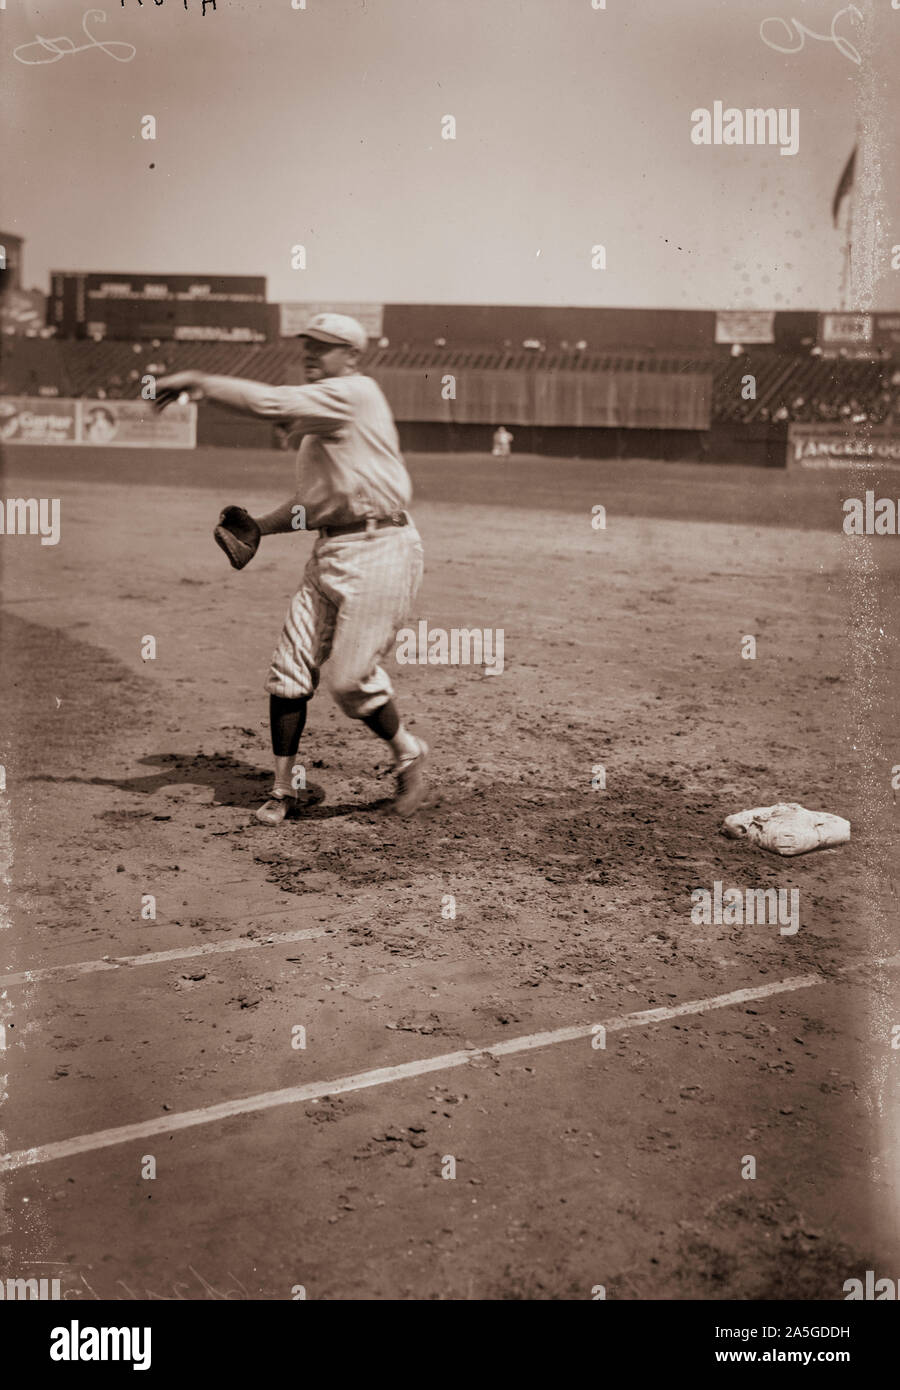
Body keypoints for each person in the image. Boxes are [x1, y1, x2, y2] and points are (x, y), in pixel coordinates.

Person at [155, 313, 428, 825]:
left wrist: (199, 383)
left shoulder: (355, 392)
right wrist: (261, 525)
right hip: (331, 553)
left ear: (351, 355)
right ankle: (283, 788)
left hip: (383, 550)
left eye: (324, 345)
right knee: (288, 667)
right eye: (307, 343)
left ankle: (408, 752)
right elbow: (313, 507)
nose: (311, 352)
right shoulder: (316, 434)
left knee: (348, 683)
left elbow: (272, 403)